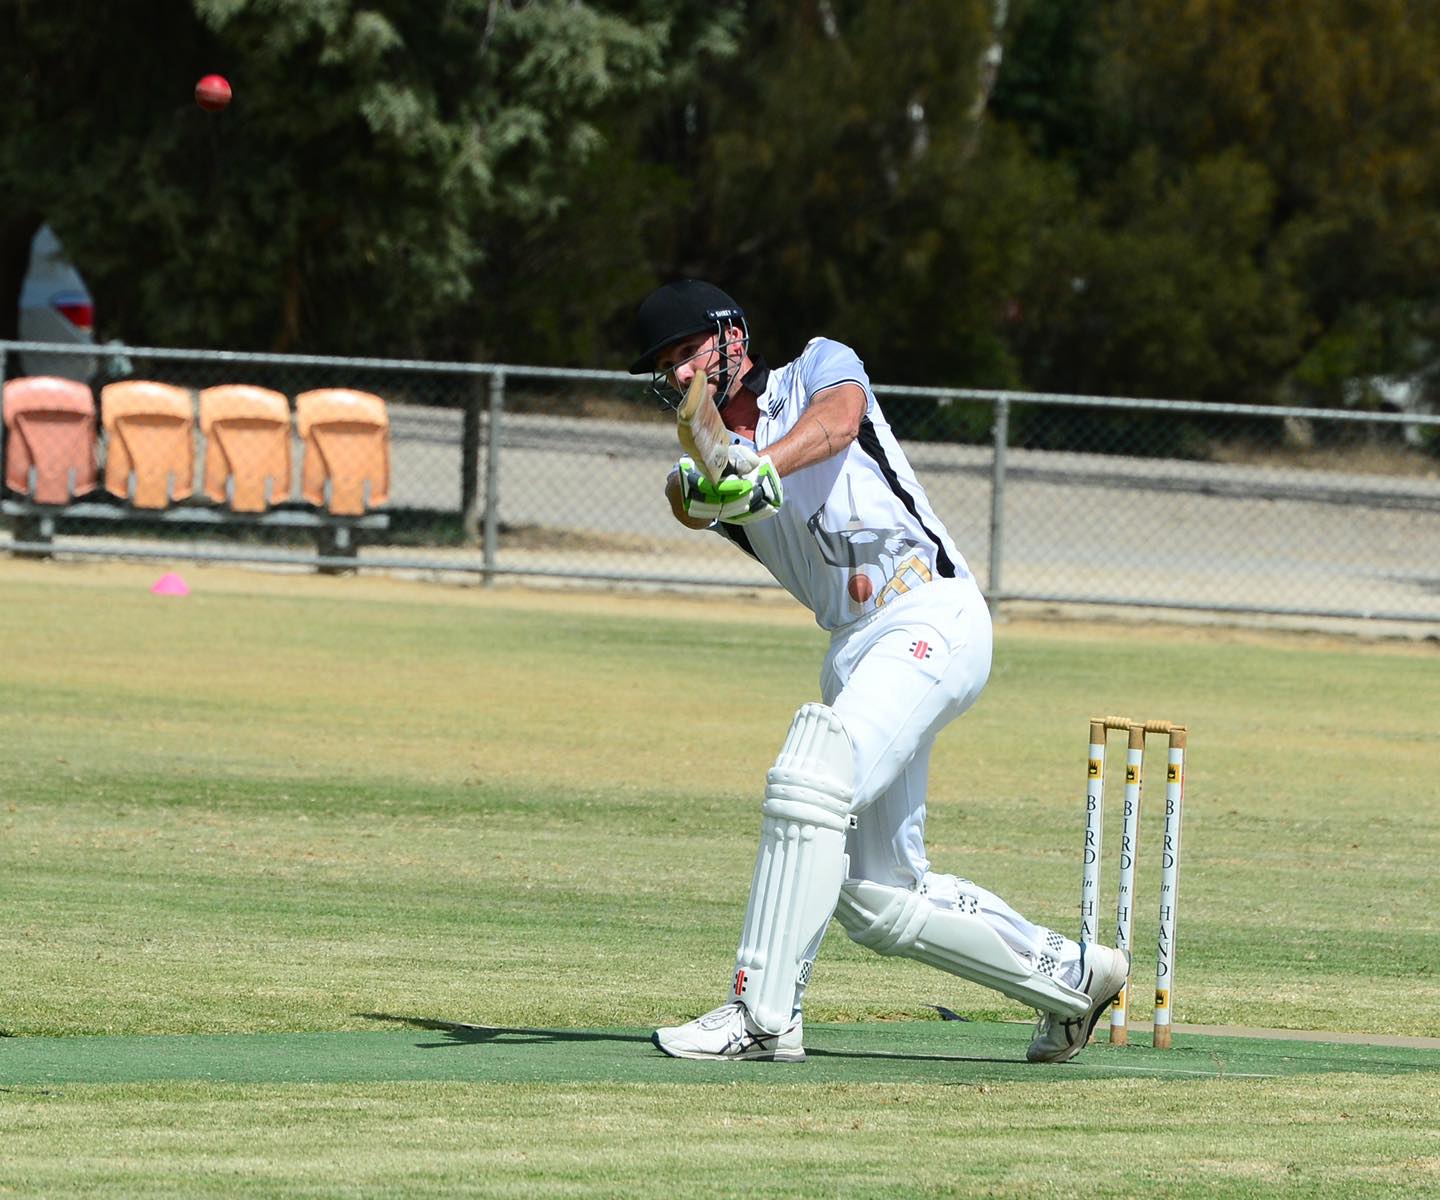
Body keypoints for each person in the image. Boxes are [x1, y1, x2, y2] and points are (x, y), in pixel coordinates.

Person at [629, 279, 1128, 1064]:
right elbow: (688, 496)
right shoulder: (718, 463)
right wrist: (696, 485)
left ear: (732, 338)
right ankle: (1071, 977)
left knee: (810, 782)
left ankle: (762, 1015)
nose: (680, 376)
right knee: (881, 897)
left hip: (929, 611)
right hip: (856, 649)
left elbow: (837, 424)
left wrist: (762, 465)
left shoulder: (817, 366)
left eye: (687, 354)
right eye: (666, 368)